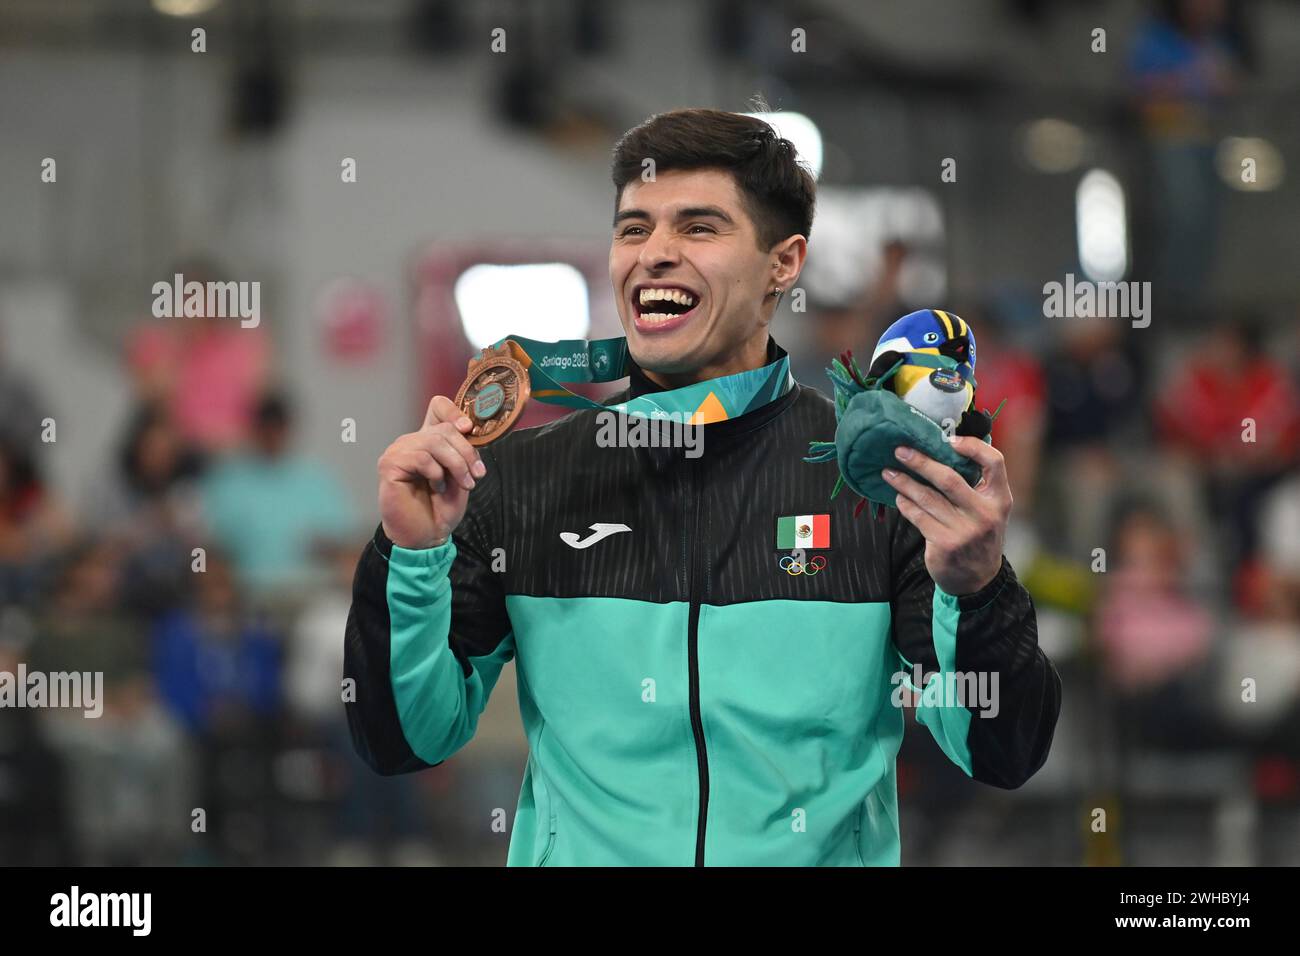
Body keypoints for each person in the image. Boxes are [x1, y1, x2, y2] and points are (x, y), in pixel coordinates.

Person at [345, 108, 1061, 866]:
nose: (653, 254)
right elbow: (400, 740)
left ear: (783, 264)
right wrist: (410, 556)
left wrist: (980, 592)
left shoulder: (873, 484)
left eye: (697, 227)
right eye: (633, 229)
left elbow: (1003, 750)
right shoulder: (522, 481)